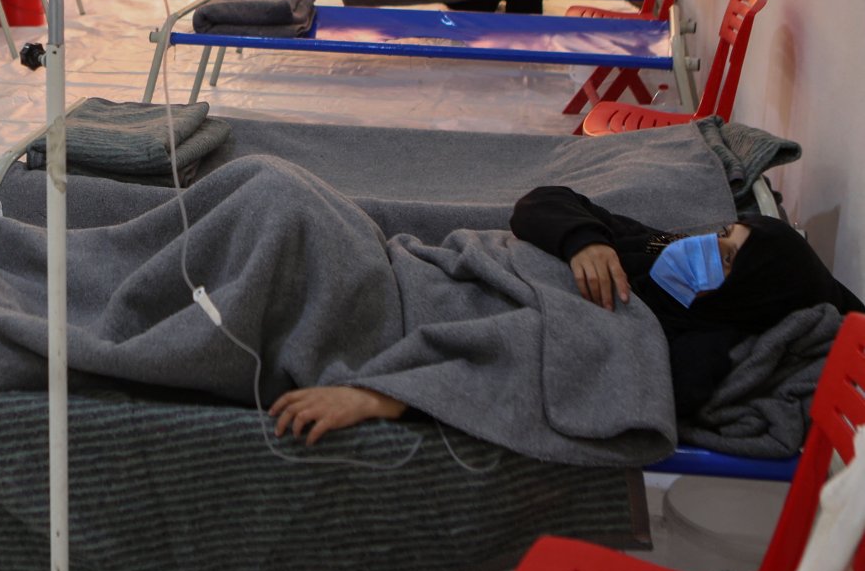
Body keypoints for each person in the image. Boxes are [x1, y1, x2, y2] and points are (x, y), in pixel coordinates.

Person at [271, 186, 864, 445]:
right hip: (421, 266)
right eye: (721, 234)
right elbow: (541, 202)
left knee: (279, 221)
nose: (705, 248)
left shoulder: (691, 342)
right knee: (281, 200)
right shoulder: (650, 251)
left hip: (416, 309)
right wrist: (584, 240)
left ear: (748, 300)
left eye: (727, 258)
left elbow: (543, 365)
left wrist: (387, 397)